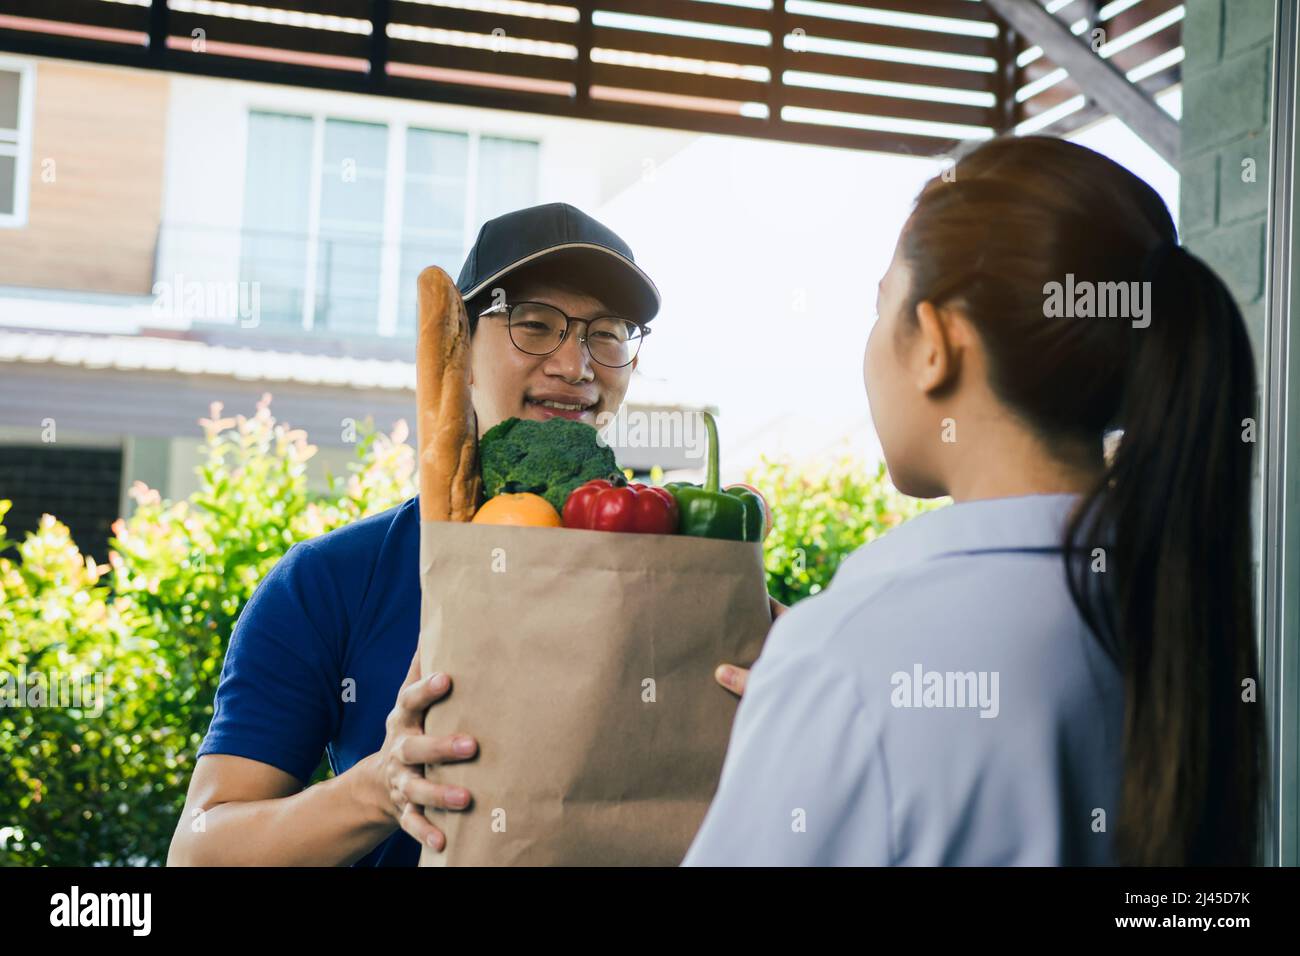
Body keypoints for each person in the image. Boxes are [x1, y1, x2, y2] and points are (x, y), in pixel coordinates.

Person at [685, 136, 1265, 866]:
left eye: (881, 305)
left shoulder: (843, 663)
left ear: (937, 343)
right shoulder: (1177, 597)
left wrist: (821, 695)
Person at [168, 203, 661, 866]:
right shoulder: (331, 581)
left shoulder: (671, 567)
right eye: (535, 325)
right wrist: (379, 789)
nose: (575, 365)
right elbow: (201, 850)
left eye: (608, 335)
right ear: (458, 346)